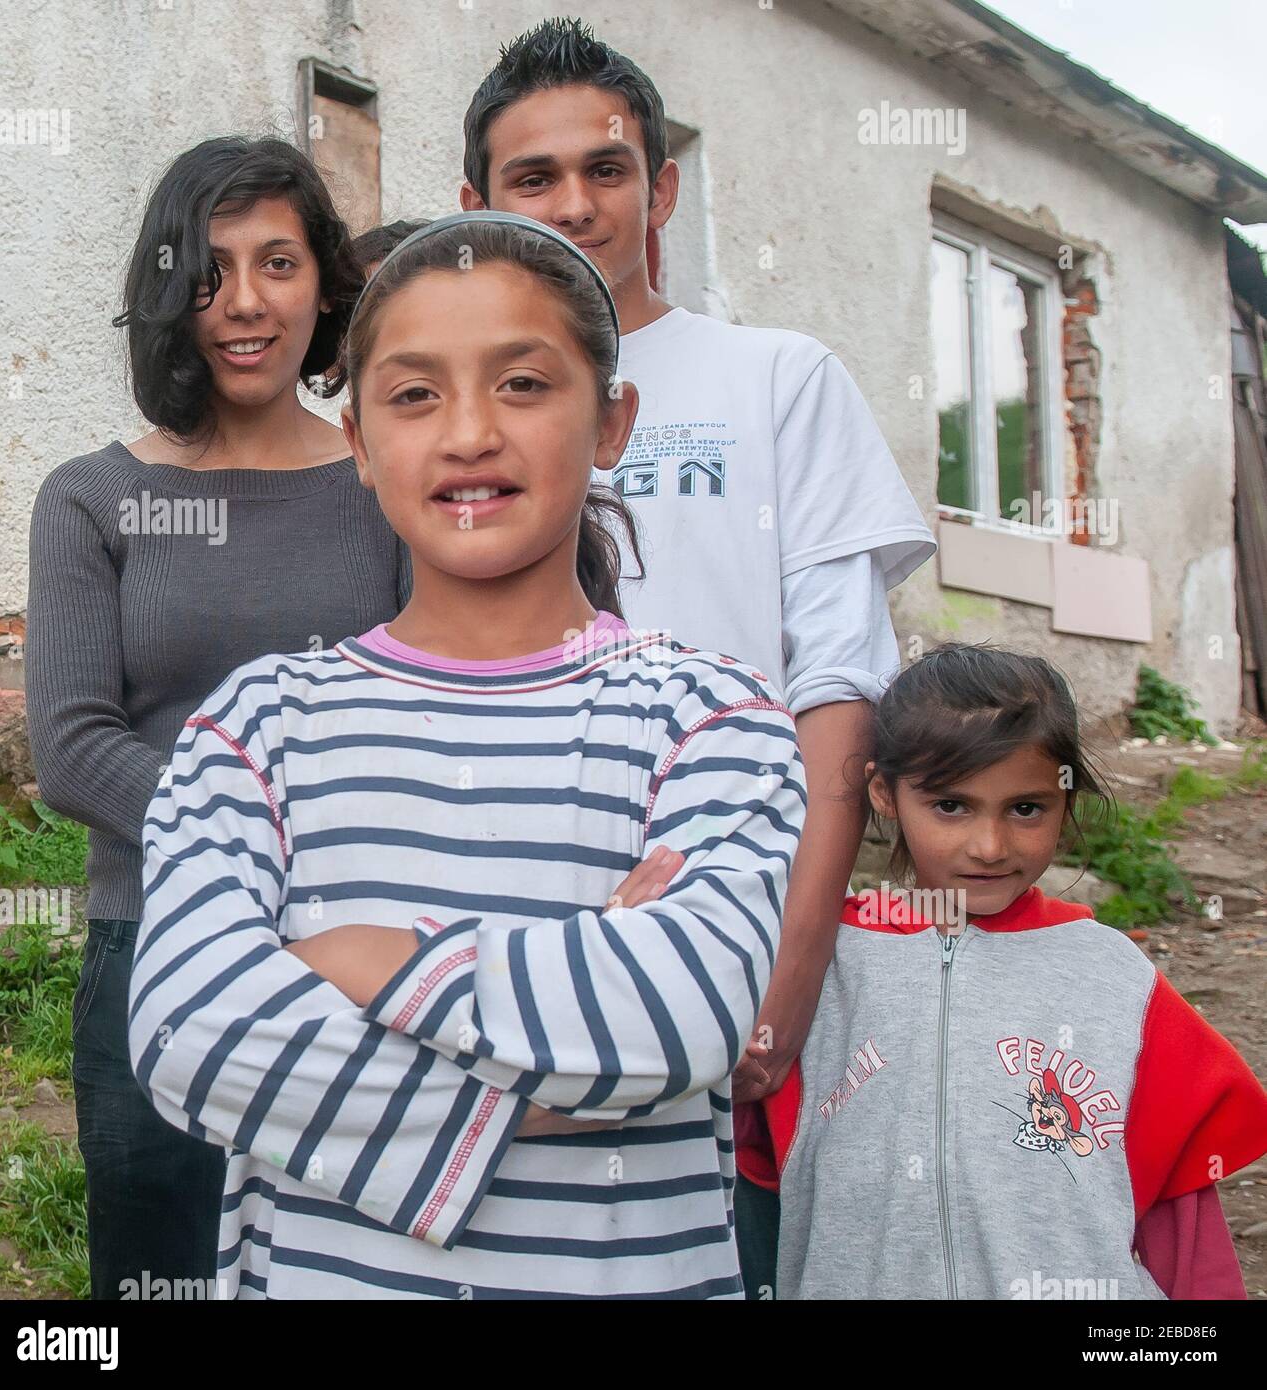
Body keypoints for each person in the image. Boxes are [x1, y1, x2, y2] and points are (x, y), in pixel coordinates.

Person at [126, 211, 807, 1299]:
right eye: (412, 394)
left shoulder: (710, 715)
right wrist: (570, 1037)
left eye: (524, 384)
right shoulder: (257, 727)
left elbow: (689, 1007)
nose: (468, 434)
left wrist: (345, 958)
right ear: (356, 440)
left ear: (613, 420)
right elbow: (184, 1029)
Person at [458, 18, 936, 1292]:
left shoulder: (777, 380)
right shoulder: (448, 412)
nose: (576, 202)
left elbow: (838, 688)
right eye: (534, 177)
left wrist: (792, 957)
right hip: (510, 949)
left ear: (662, 186)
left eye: (607, 169)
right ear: (477, 201)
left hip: (730, 945)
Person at [24, 135, 411, 1299]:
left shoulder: (388, 486)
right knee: (158, 1280)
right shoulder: (92, 497)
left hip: (364, 960)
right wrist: (263, 845)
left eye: (278, 264)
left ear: (328, 286)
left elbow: (422, 705)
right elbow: (77, 749)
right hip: (158, 950)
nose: (242, 303)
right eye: (208, 269)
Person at [753, 643, 1267, 1299]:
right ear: (884, 792)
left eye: (1026, 808)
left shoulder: (1114, 977)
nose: (990, 846)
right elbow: (753, 1186)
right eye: (951, 806)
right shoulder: (818, 965)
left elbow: (1185, 1218)